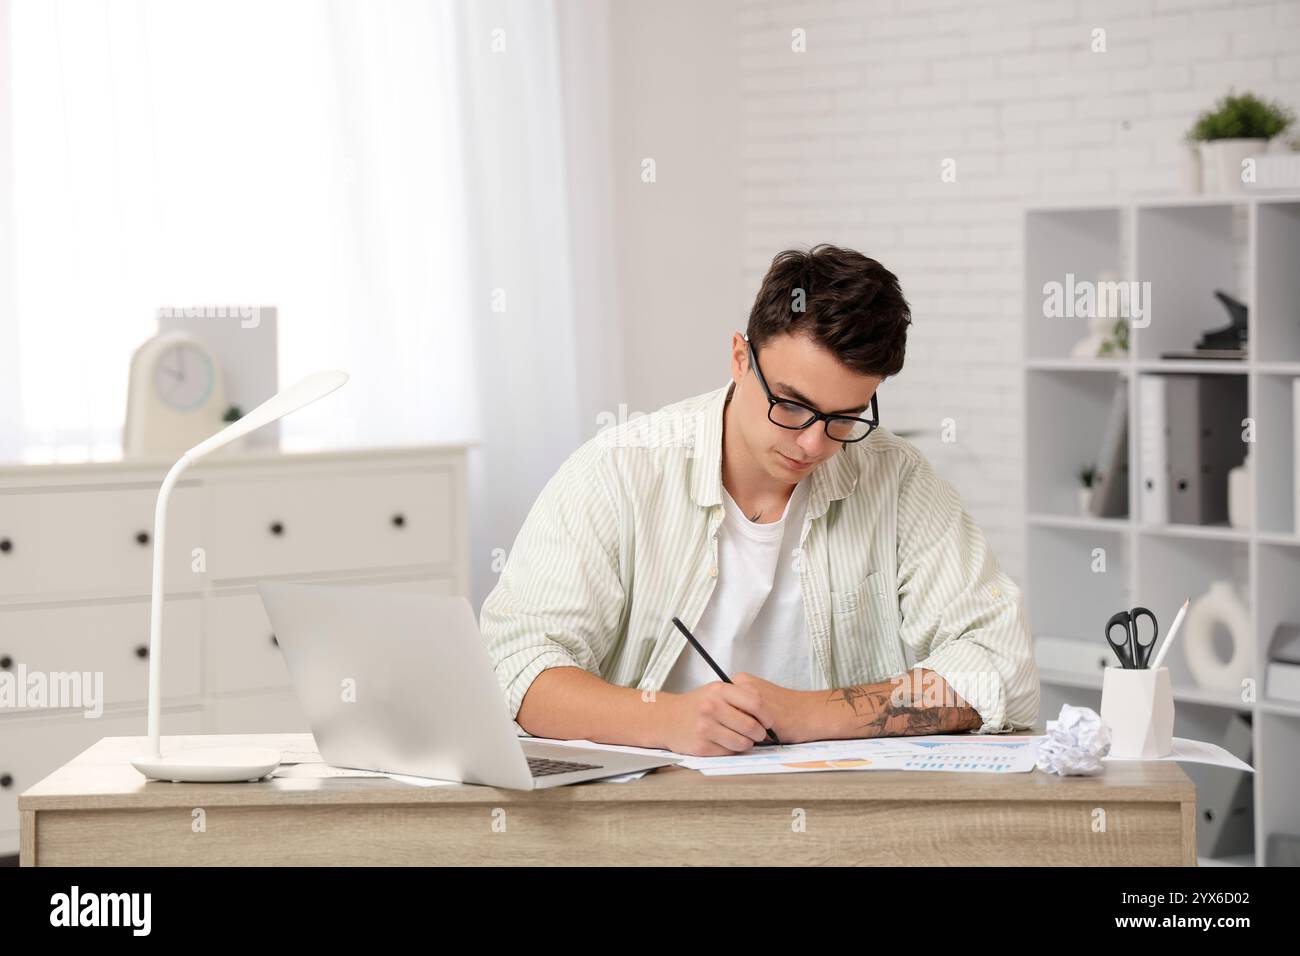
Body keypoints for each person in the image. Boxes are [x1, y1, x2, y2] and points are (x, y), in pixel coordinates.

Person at [480, 244, 1039, 757]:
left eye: (844, 417)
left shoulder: (897, 479)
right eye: (793, 405)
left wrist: (805, 713)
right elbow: (517, 667)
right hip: (651, 816)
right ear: (740, 358)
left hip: (845, 816)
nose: (815, 443)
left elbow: (997, 665)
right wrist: (667, 719)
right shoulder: (618, 472)